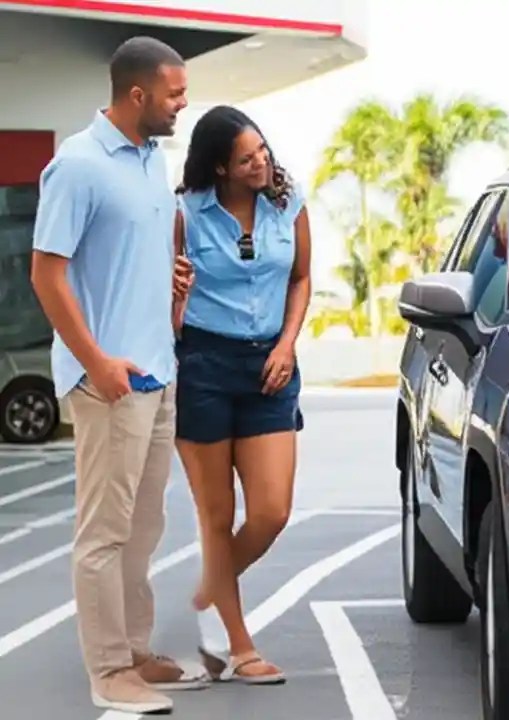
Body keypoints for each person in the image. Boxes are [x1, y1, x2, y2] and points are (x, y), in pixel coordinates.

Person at [28, 36, 207, 714]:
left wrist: (171, 294)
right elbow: (47, 273)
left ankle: (134, 651)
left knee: (144, 528)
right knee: (103, 534)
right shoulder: (77, 165)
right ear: (137, 94)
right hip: (108, 379)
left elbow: (130, 261)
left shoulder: (150, 163)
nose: (182, 105)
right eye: (174, 94)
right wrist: (97, 362)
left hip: (158, 371)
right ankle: (108, 672)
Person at [170, 104, 312, 685]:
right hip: (204, 363)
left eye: (262, 151)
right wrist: (172, 295)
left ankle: (206, 589)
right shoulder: (184, 214)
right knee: (216, 515)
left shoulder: (289, 200)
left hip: (271, 367)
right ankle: (239, 646)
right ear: (220, 169)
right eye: (246, 159)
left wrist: (287, 344)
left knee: (272, 511)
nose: (261, 163)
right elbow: (167, 304)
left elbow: (301, 277)